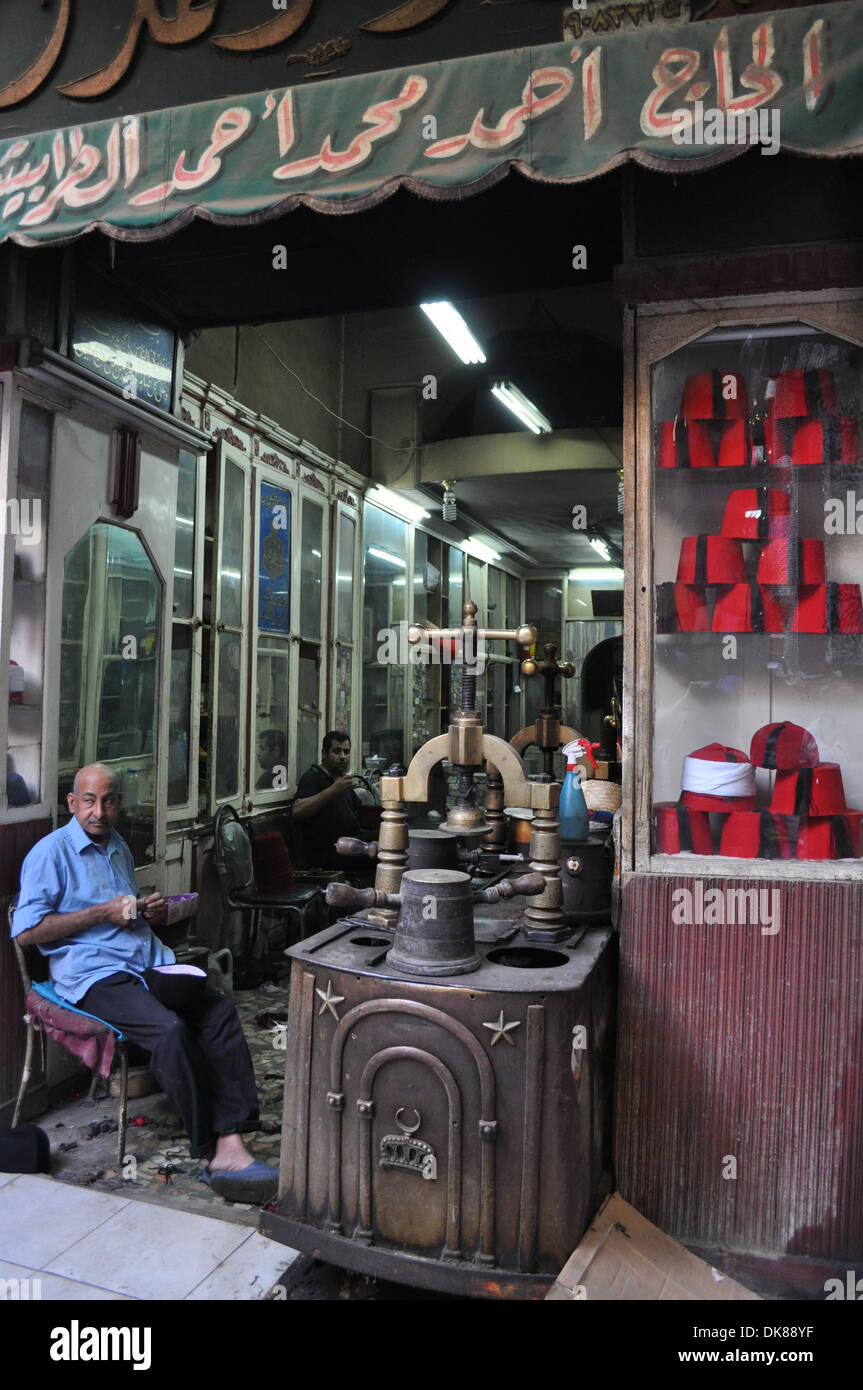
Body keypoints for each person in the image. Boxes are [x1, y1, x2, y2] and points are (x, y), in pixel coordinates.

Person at [11, 763, 278, 1205]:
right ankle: (213, 1150)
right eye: (90, 801)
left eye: (109, 800)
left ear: (118, 804)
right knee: (169, 1031)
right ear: (72, 803)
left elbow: (125, 911)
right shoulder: (49, 853)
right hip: (93, 974)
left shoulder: (116, 844)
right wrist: (102, 912)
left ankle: (234, 1134)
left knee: (217, 1009)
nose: (100, 811)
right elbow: (26, 934)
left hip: (142, 961)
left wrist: (146, 912)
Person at [293, 730, 374, 881]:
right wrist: (333, 790)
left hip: (352, 843)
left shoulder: (341, 779)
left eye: (346, 752)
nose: (342, 757)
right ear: (324, 753)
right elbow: (297, 811)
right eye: (336, 751)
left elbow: (358, 812)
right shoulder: (313, 777)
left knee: (393, 835)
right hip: (329, 852)